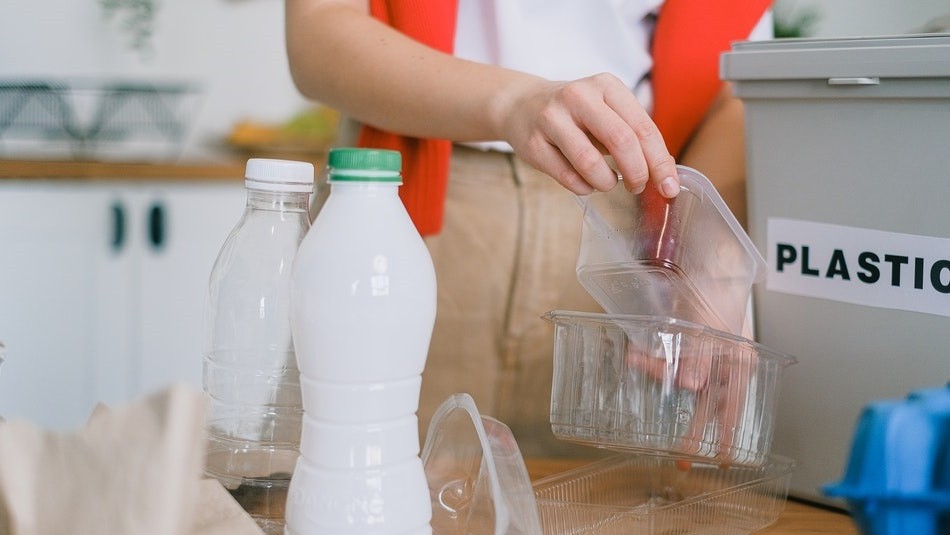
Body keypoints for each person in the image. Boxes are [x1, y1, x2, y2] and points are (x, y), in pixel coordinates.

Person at [284, 0, 773, 457]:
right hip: (416, 201)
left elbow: (732, 92)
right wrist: (514, 99)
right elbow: (320, 29)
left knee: (592, 508)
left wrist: (706, 257)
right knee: (353, 477)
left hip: (628, 225)